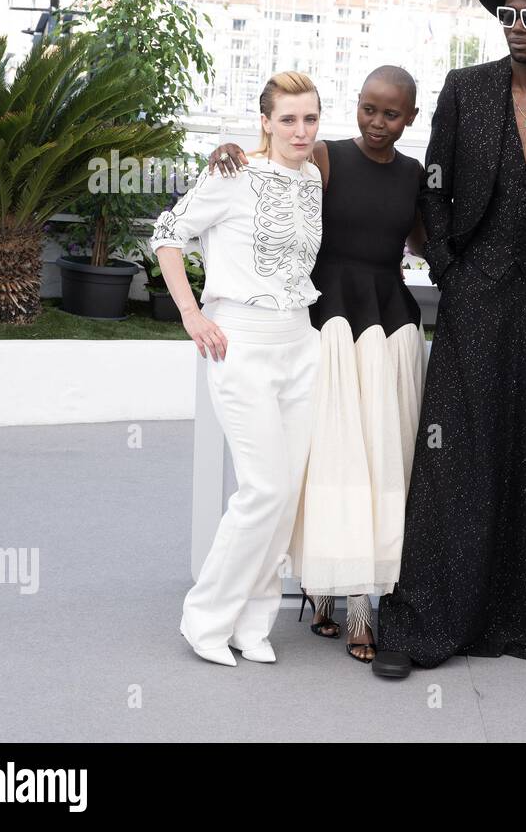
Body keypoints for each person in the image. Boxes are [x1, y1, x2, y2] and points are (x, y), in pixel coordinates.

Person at [373, 0, 526, 675]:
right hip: (474, 292)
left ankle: (521, 614)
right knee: (454, 457)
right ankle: (421, 624)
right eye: (507, 15)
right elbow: (434, 184)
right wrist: (448, 267)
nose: (516, 28)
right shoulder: (465, 90)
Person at [206, 67, 427, 665]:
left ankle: (361, 600)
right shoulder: (325, 156)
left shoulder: (414, 176)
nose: (378, 122)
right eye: (368, 109)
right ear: (355, 106)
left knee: (383, 460)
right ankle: (322, 588)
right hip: (326, 320)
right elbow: (273, 170)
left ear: (411, 117)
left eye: (392, 113)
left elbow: (430, 246)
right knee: (328, 459)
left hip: (389, 324)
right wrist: (230, 150)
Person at [152, 71, 324, 667]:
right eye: (288, 120)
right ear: (266, 122)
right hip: (241, 343)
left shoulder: (315, 181)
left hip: (301, 343)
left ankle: (254, 623)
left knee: (287, 492)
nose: (300, 131)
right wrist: (191, 314)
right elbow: (168, 236)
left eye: (310, 119)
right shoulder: (232, 174)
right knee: (264, 488)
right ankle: (205, 619)